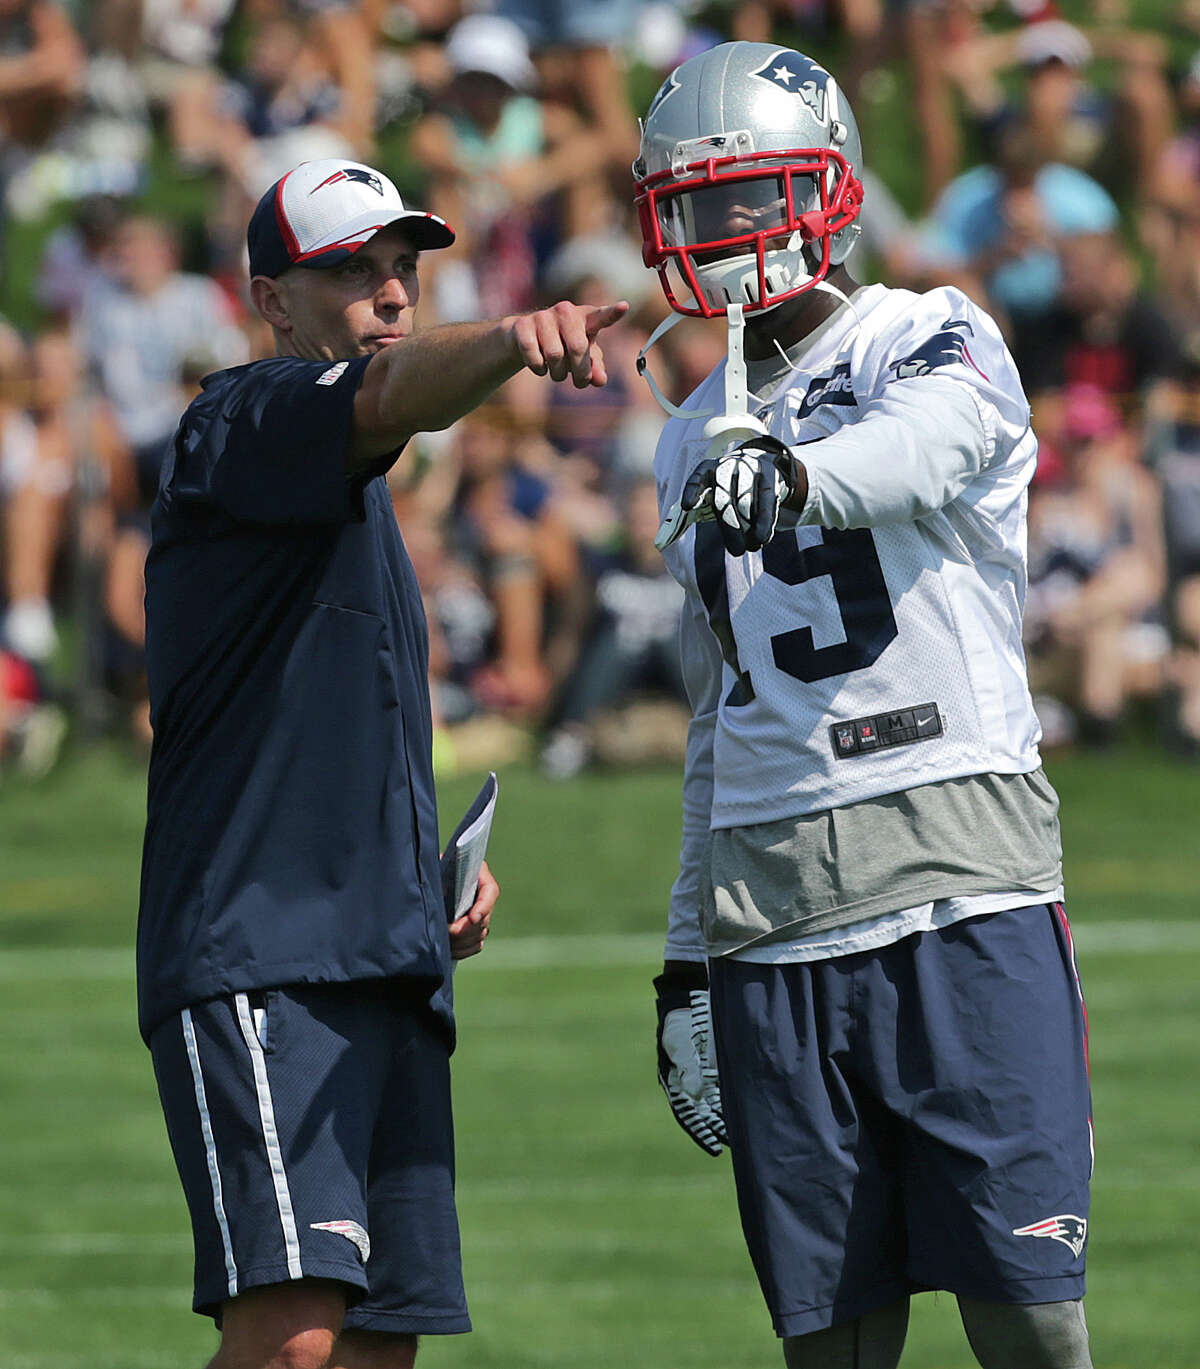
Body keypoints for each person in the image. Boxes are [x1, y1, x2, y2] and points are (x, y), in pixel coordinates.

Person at [635, 44, 1094, 1369]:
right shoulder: (684, 431)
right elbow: (714, 713)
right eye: (696, 207)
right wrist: (684, 953)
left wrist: (796, 477)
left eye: (752, 197)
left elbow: (936, 441)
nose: (723, 237)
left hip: (961, 876)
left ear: (829, 188)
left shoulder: (926, 327)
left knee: (1033, 1320)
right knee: (829, 1342)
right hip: (771, 916)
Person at [137, 157, 626, 1369]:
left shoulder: (357, 505)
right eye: (352, 268)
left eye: (402, 267)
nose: (391, 291)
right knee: (293, 1340)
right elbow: (391, 389)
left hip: (382, 956)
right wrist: (515, 337)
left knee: (373, 1351)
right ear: (272, 301)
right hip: (263, 952)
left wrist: (426, 884)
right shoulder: (239, 421)